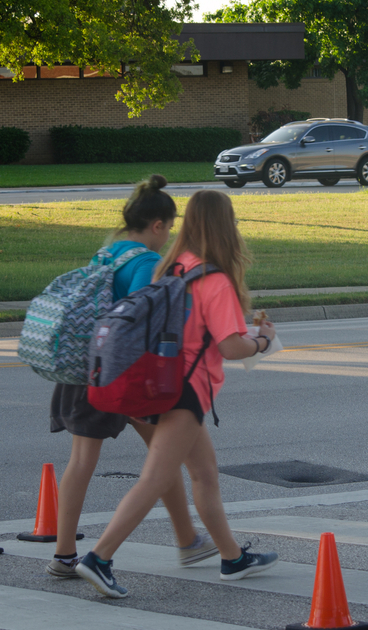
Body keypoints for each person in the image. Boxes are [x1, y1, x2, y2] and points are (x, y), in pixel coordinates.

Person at [75, 189, 278, 598]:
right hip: (186, 390)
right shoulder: (215, 279)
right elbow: (230, 347)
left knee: (204, 474)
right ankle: (99, 557)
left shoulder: (175, 266)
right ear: (225, 226)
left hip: (164, 379)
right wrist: (262, 342)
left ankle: (232, 557)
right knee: (155, 478)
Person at [46, 175, 218, 578]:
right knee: (163, 457)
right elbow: (144, 316)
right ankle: (187, 540)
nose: (170, 235)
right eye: (169, 227)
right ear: (157, 225)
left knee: (83, 460)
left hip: (87, 367)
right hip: (124, 375)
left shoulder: (108, 253)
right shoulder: (144, 262)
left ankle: (64, 553)